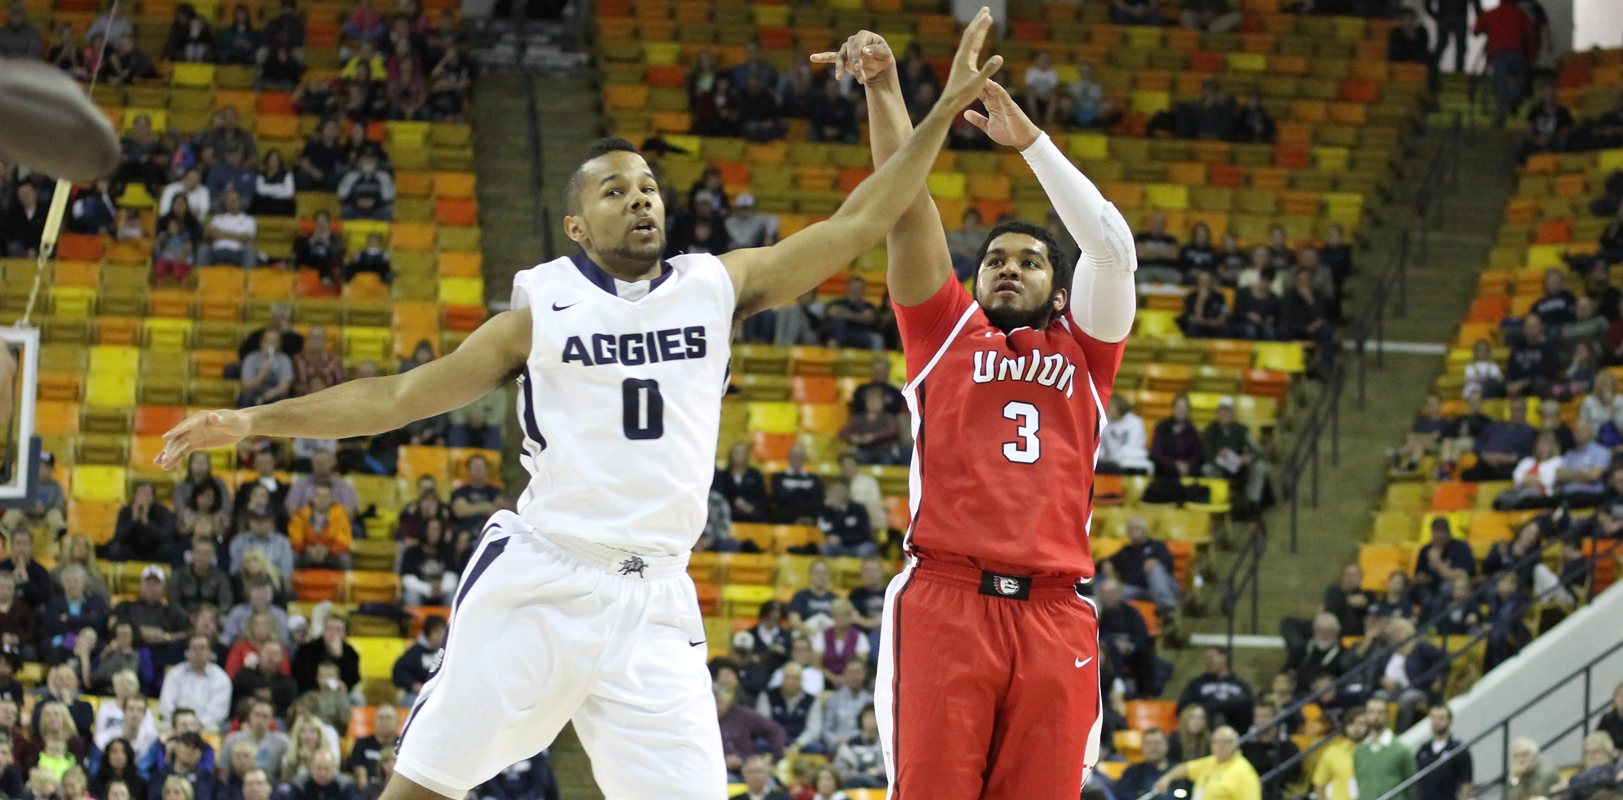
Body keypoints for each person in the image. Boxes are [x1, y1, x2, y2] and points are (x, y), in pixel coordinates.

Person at [158, 19, 1003, 800]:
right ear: (574, 223)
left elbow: (867, 217)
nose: (639, 199)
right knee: (421, 787)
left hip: (657, 600)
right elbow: (400, 398)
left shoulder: (716, 284)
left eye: (646, 186)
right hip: (544, 579)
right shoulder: (537, 315)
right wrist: (254, 421)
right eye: (612, 191)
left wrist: (921, 104)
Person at [816, 25, 1135, 799]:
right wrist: (884, 88)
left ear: (1059, 292)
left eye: (1029, 262)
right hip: (947, 601)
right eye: (995, 259)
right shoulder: (942, 330)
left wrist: (1029, 142)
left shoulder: (1087, 354)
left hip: (1056, 613)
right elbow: (902, 204)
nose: (1009, 269)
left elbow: (1113, 249)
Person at [1415, 706, 1472, 800]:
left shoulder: (1458, 749)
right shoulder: (1423, 750)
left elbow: (1466, 781)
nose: (1437, 722)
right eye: (1434, 718)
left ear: (1450, 721)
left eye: (1441, 718)